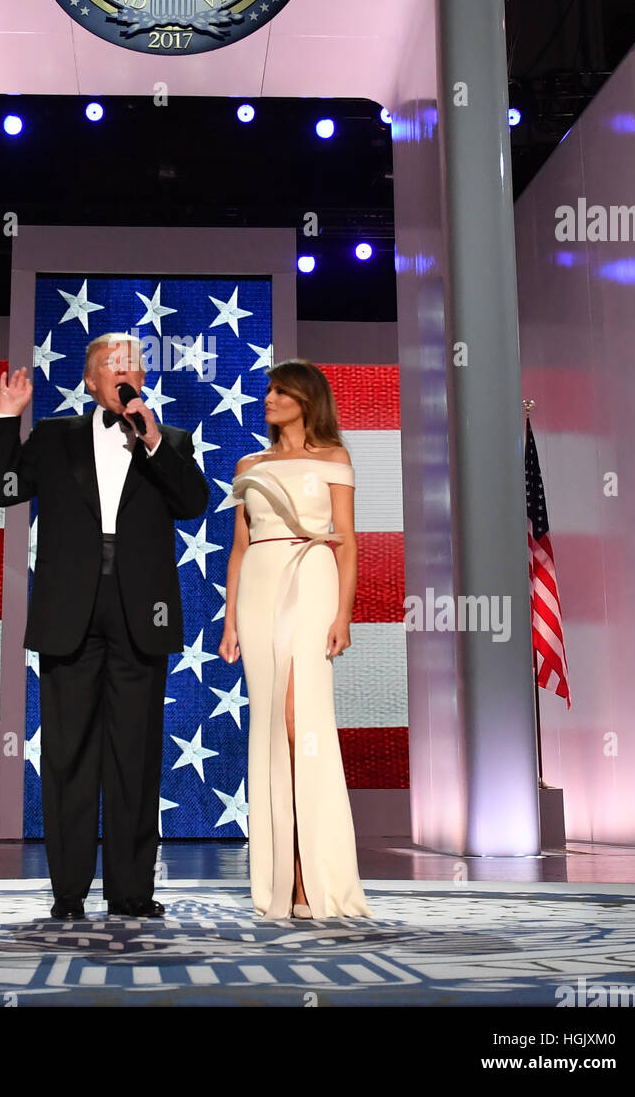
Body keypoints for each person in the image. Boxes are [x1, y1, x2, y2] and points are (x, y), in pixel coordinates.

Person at [0, 333, 209, 920]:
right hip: (69, 610)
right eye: (110, 366)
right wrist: (7, 419)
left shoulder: (170, 442)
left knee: (134, 755)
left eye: (131, 365)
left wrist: (154, 439)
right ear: (89, 381)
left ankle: (132, 888)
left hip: (142, 612)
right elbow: (2, 489)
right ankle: (68, 890)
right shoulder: (56, 438)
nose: (122, 372)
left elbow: (193, 503)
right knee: (69, 753)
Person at [219, 359, 372, 921]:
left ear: (307, 399)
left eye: (281, 391)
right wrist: (230, 619)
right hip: (258, 586)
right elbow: (239, 548)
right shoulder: (249, 464)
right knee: (269, 726)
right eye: (268, 391)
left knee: (298, 720)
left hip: (312, 580)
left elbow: (348, 542)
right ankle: (281, 883)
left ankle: (314, 877)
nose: (269, 399)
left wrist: (344, 615)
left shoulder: (334, 458)